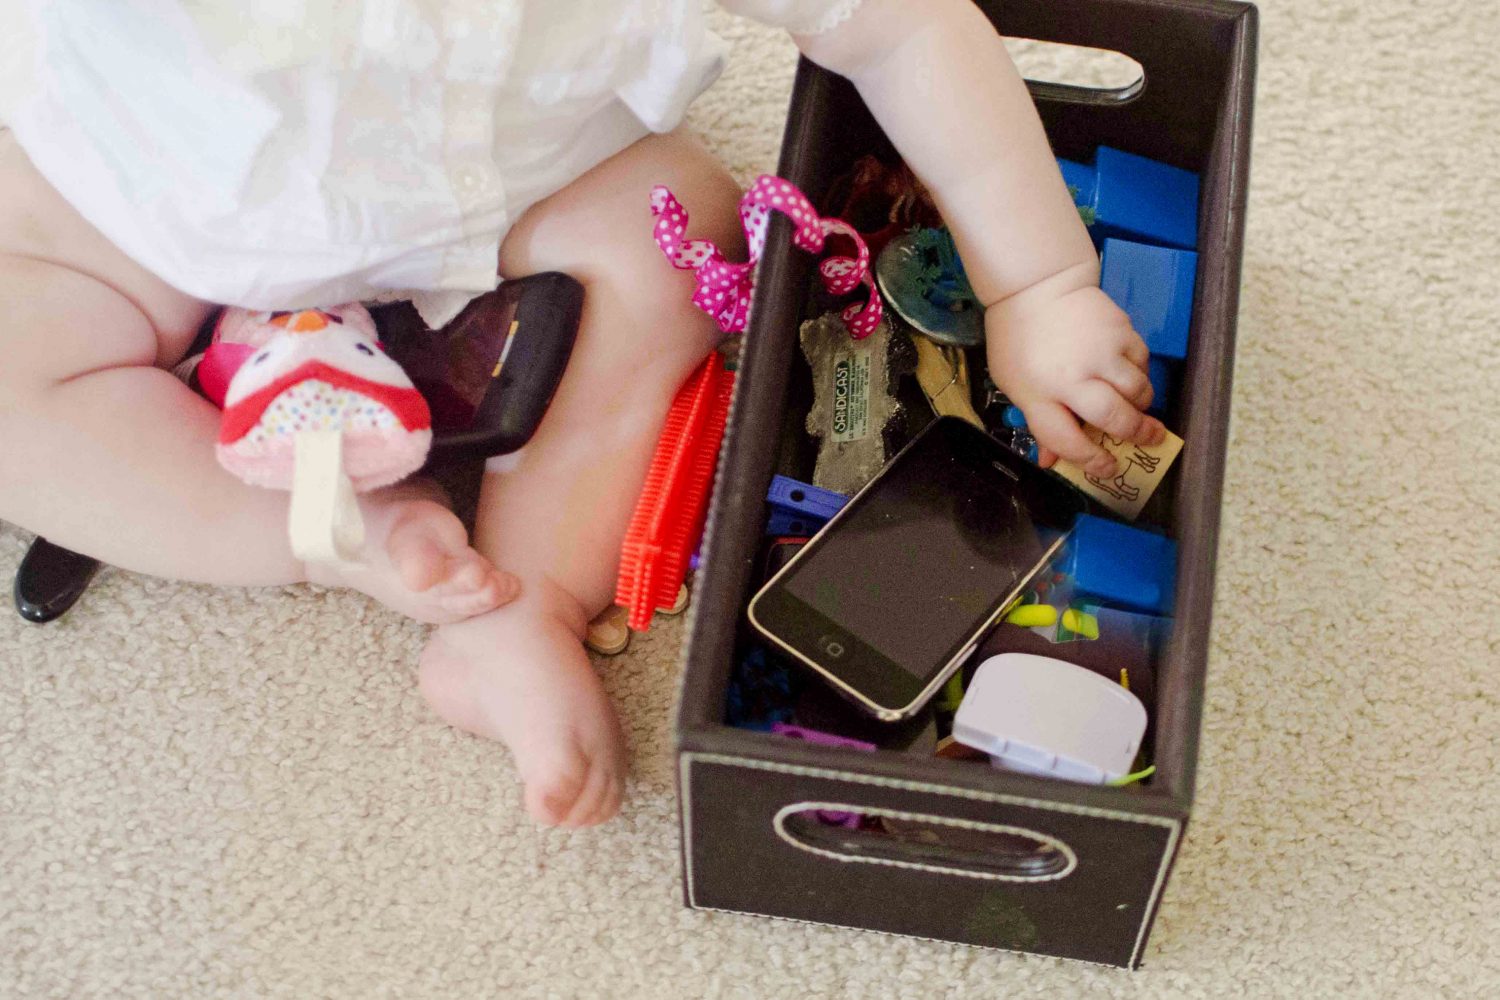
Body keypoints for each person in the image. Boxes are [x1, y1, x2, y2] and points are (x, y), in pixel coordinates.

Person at [0, 0, 1165, 827]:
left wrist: (1035, 283)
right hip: (152, 178)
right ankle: (347, 547)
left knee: (669, 235)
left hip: (508, 176)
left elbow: (901, 24)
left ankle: (520, 606)